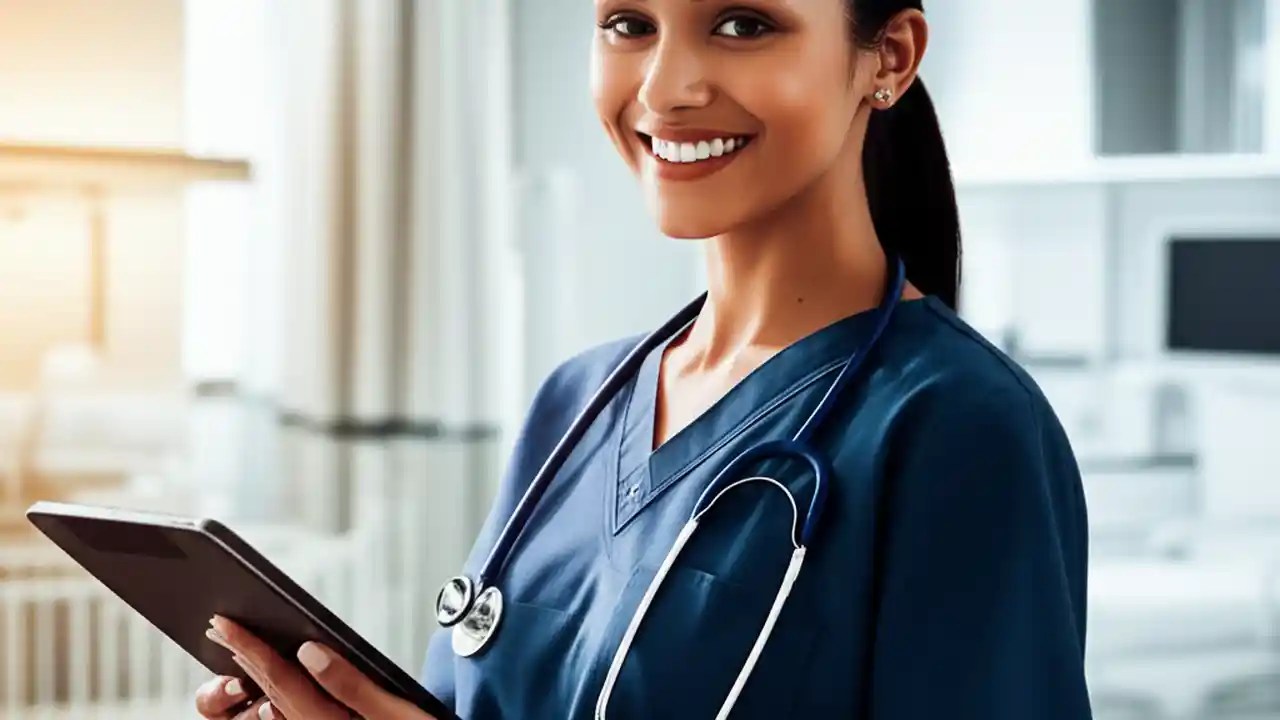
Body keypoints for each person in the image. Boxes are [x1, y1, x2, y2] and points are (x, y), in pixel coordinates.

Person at [195, 0, 1093, 718]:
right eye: (629, 25)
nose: (664, 89)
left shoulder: (956, 426)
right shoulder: (577, 402)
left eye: (743, 24)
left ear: (889, 57)